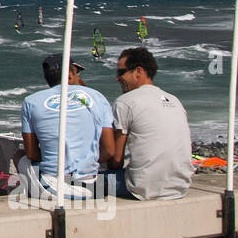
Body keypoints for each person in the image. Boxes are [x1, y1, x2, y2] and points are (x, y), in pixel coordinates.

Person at [101, 47, 193, 201]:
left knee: (77, 184)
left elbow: (116, 160)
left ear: (138, 71)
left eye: (121, 72)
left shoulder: (125, 102)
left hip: (141, 188)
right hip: (180, 186)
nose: (117, 78)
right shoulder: (174, 100)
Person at [17, 55, 113, 198]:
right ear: (69, 73)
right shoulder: (97, 97)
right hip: (91, 186)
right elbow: (109, 151)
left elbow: (31, 153)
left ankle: (30, 196)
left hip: (54, 186)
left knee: (21, 157)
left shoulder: (31, 102)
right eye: (78, 73)